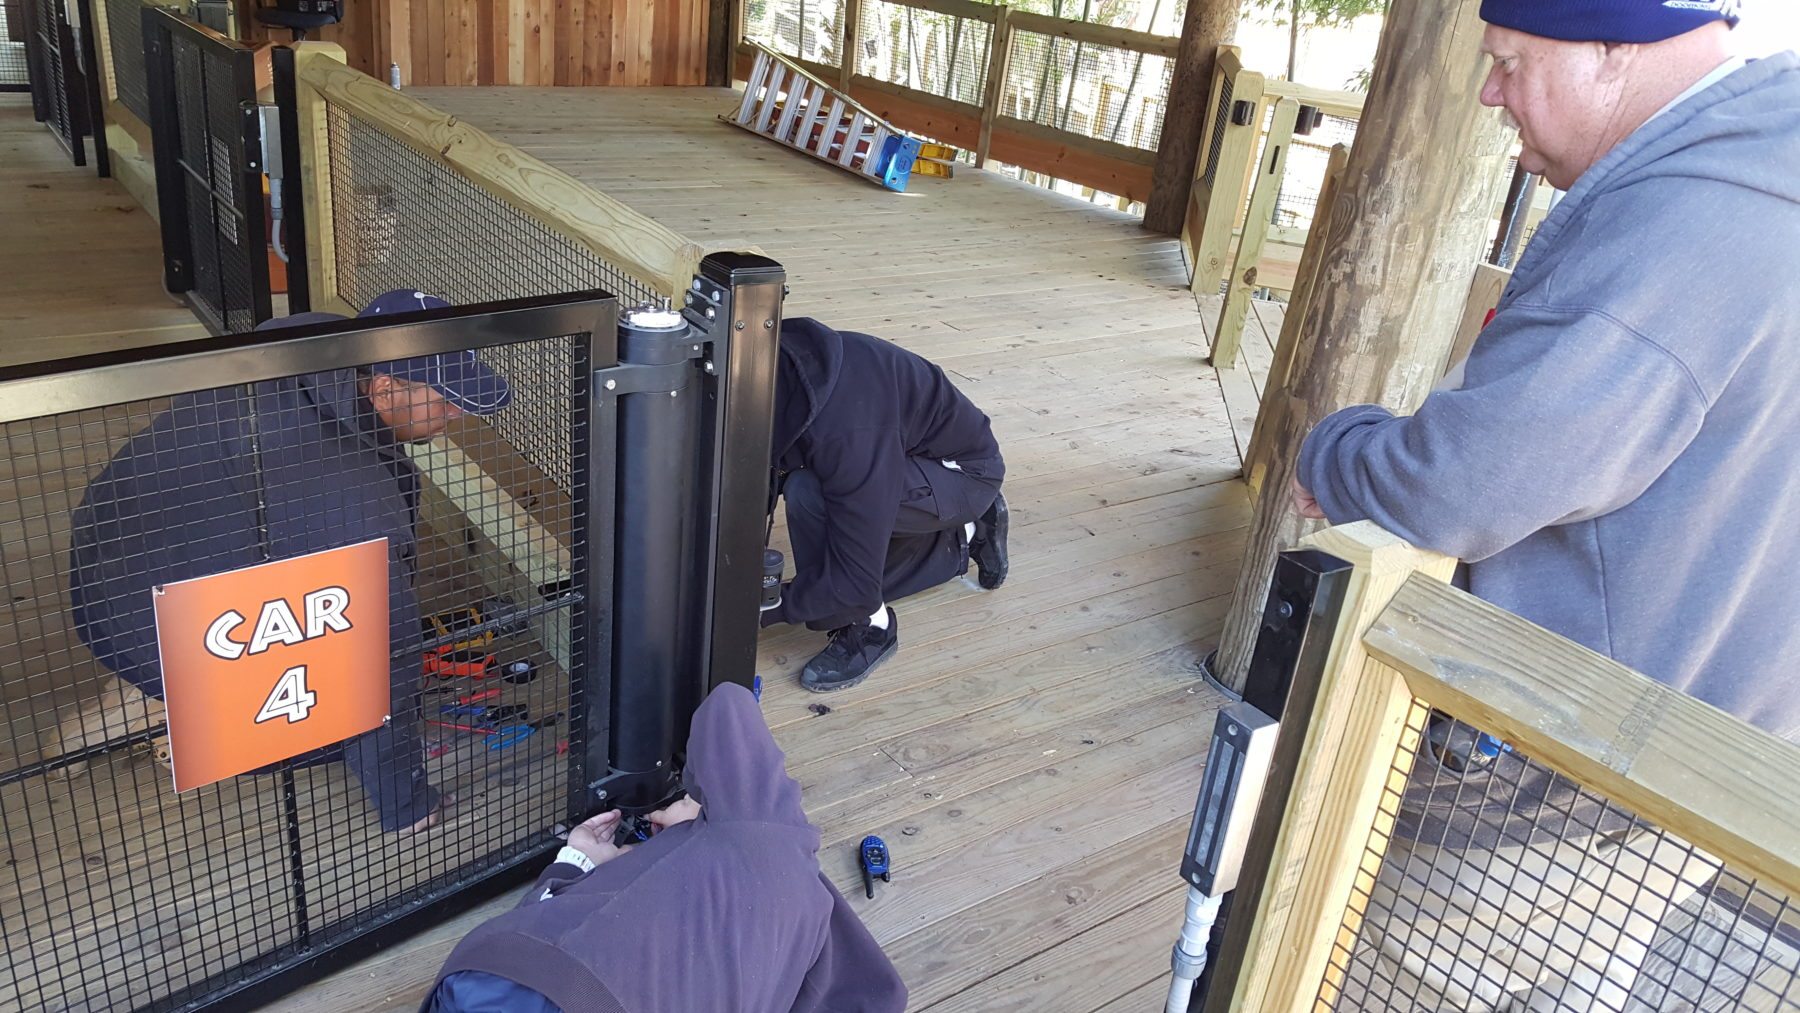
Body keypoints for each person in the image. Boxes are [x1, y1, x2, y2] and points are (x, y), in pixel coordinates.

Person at [1292, 3, 1797, 1009]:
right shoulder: (1767, 162)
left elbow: (1459, 483)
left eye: (1511, 63)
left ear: (1614, 51)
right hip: (1717, 746)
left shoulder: (1686, 222)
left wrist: (1332, 445)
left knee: (1374, 970)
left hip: (1559, 776)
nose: (1489, 92)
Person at [67, 289, 508, 834]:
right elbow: (382, 655)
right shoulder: (349, 499)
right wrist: (407, 800)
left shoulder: (302, 351)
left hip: (110, 567)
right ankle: (170, 705)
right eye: (445, 397)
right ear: (386, 388)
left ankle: (164, 694)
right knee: (331, 719)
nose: (458, 412)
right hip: (156, 623)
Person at [423, 682, 908, 1013]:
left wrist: (698, 803)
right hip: (521, 981)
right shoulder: (789, 891)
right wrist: (580, 865)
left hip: (506, 985)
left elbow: (730, 706)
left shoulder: (758, 836)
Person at [760, 317, 1010, 692]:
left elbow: (853, 580)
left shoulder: (847, 435)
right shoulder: (777, 364)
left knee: (810, 497)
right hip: (910, 458)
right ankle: (968, 531)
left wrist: (761, 610)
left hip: (966, 473)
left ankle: (871, 628)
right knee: (813, 494)